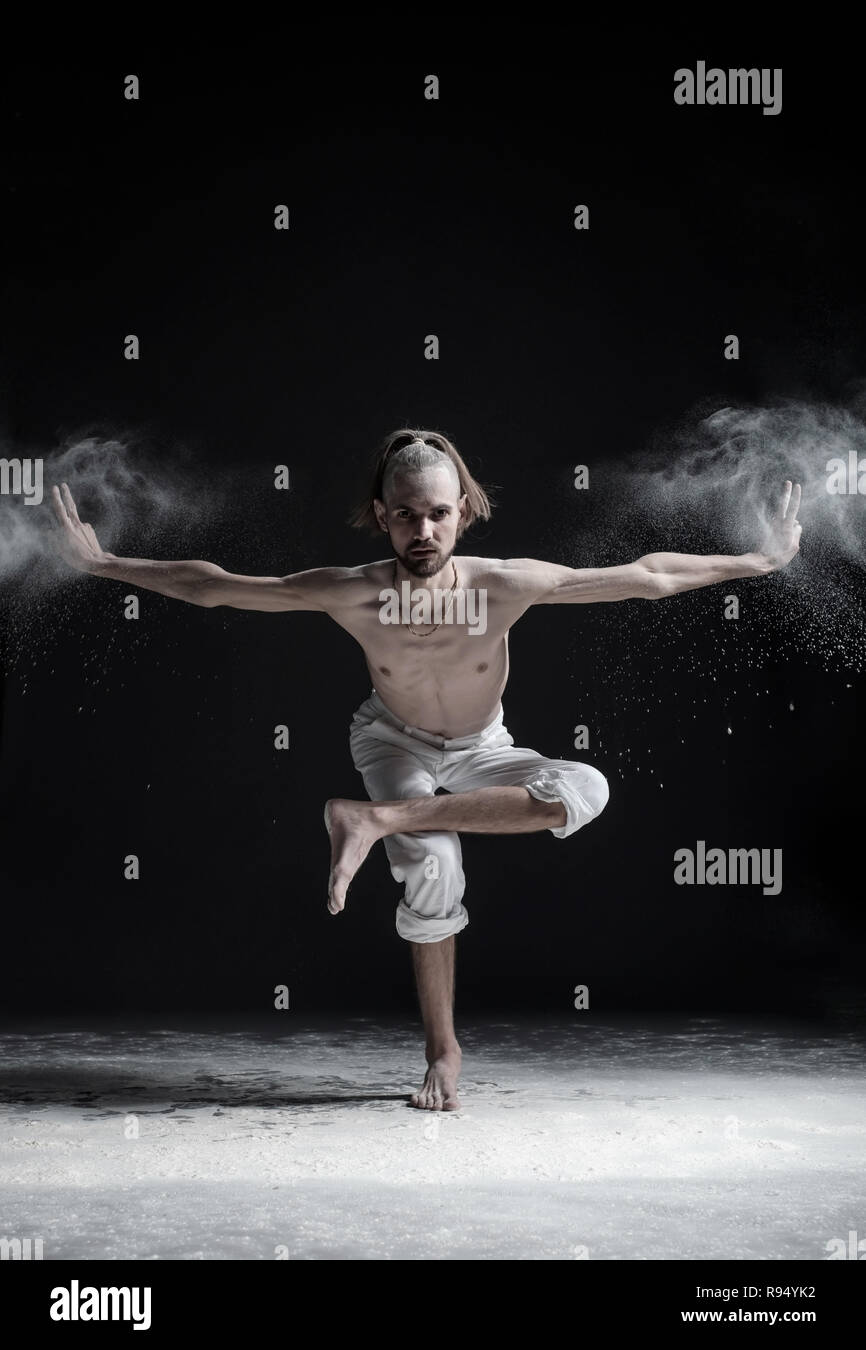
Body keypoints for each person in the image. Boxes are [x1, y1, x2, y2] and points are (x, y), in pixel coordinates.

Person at [50, 428, 802, 1111]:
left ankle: (375, 819)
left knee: (585, 789)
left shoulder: (505, 583)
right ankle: (443, 1051)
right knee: (437, 866)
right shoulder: (353, 590)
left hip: (484, 744)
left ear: (463, 513)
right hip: (394, 742)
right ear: (382, 515)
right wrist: (107, 564)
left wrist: (761, 560)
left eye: (439, 514)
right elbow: (216, 586)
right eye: (407, 515)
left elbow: (647, 575)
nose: (423, 531)